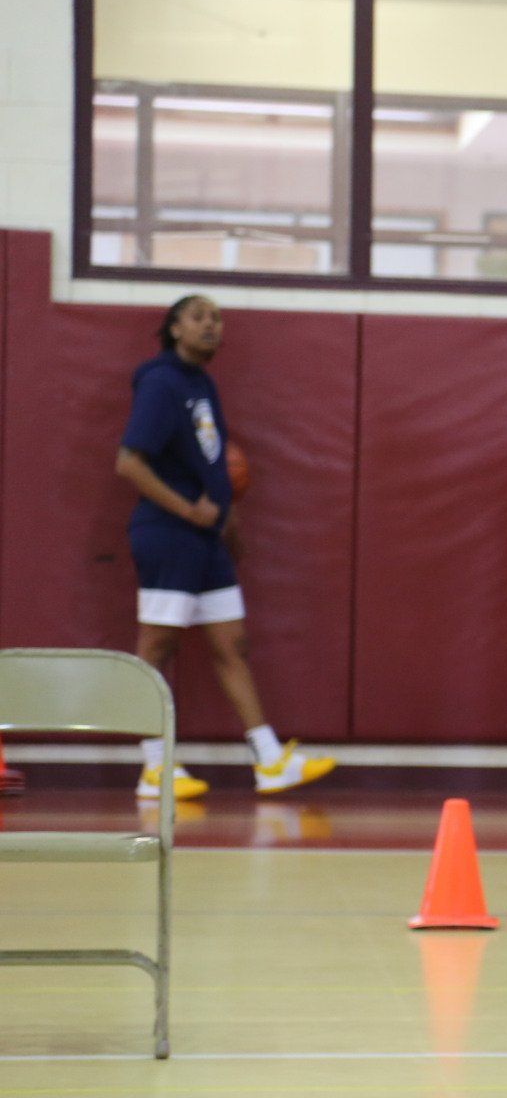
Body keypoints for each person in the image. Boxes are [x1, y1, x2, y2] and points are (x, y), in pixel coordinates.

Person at [114, 295, 336, 800]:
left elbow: (212, 459)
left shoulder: (202, 383)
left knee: (231, 645)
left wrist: (226, 515)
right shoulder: (160, 381)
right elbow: (128, 462)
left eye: (217, 319)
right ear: (174, 329)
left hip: (207, 538)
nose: (211, 325)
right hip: (168, 532)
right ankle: (153, 767)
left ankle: (269, 759)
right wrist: (188, 509)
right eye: (198, 317)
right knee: (158, 644)